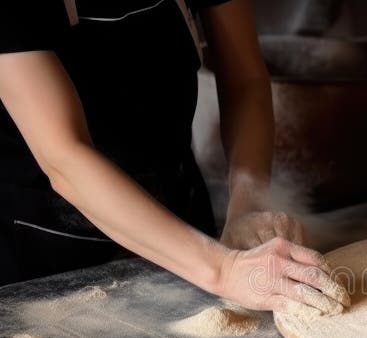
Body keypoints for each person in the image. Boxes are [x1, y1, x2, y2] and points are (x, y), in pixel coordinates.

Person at [0, 0, 349, 315]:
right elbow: (64, 156)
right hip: (50, 265)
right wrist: (225, 270)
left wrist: (248, 205)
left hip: (187, 229)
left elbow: (245, 83)